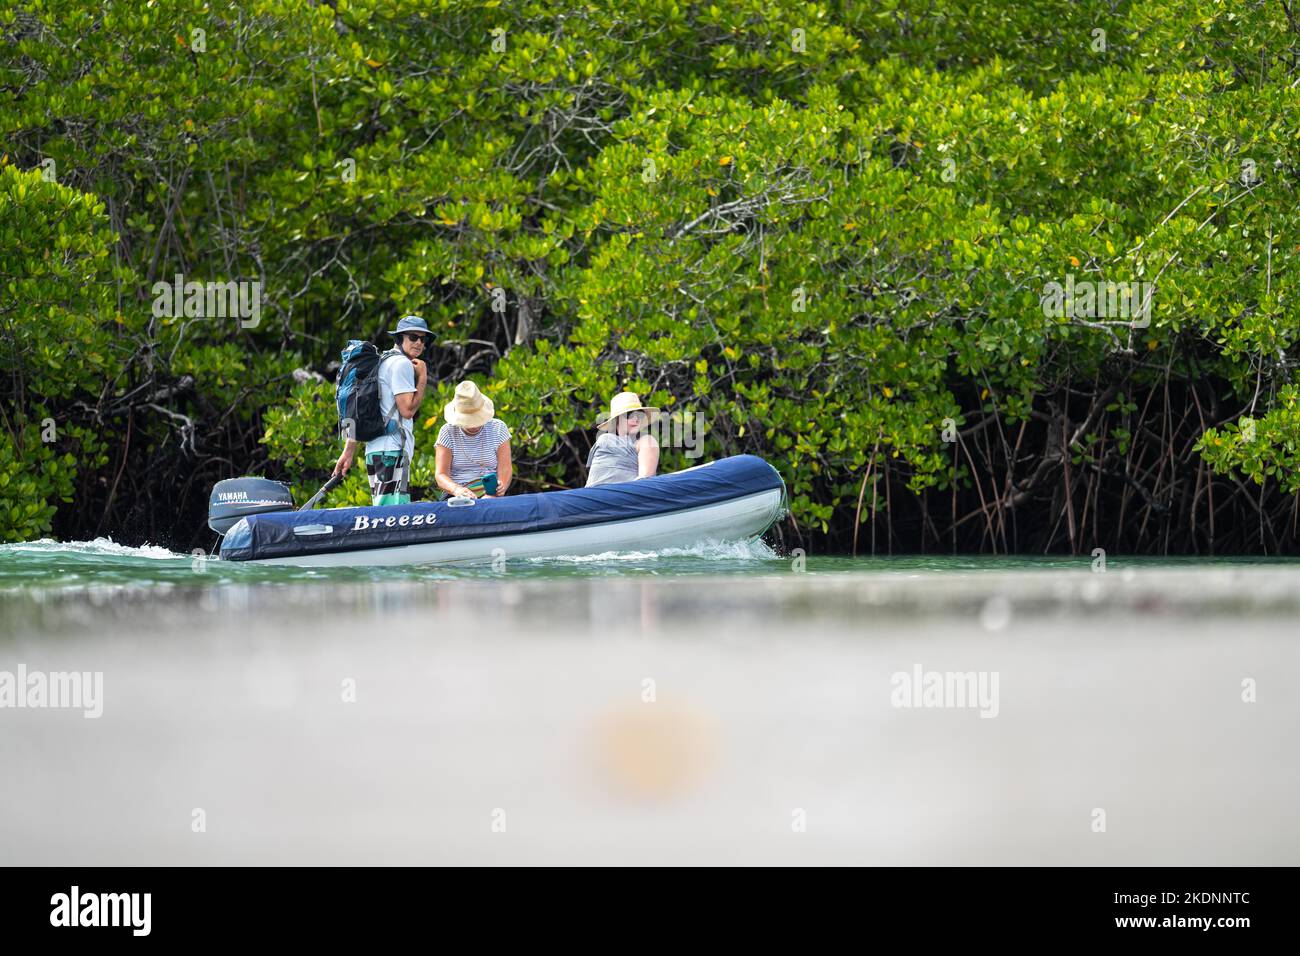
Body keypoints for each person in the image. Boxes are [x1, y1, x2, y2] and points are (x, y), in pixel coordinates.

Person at [332, 315, 430, 505]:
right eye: (413, 337)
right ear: (399, 338)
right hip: (392, 451)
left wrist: (348, 451)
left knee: (385, 508)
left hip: (376, 451)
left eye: (423, 339)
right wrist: (423, 377)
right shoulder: (401, 364)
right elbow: (407, 410)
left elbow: (361, 406)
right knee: (392, 514)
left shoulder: (383, 361)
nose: (418, 343)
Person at [435, 380, 512, 499]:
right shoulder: (447, 432)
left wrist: (500, 487)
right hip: (457, 494)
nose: (473, 425)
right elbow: (441, 475)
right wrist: (457, 490)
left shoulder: (498, 428)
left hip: (491, 491)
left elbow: (505, 468)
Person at [584, 391, 660, 487]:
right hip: (593, 496)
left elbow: (645, 482)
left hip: (625, 497)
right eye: (629, 414)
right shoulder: (605, 441)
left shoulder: (646, 441)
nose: (636, 419)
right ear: (617, 420)